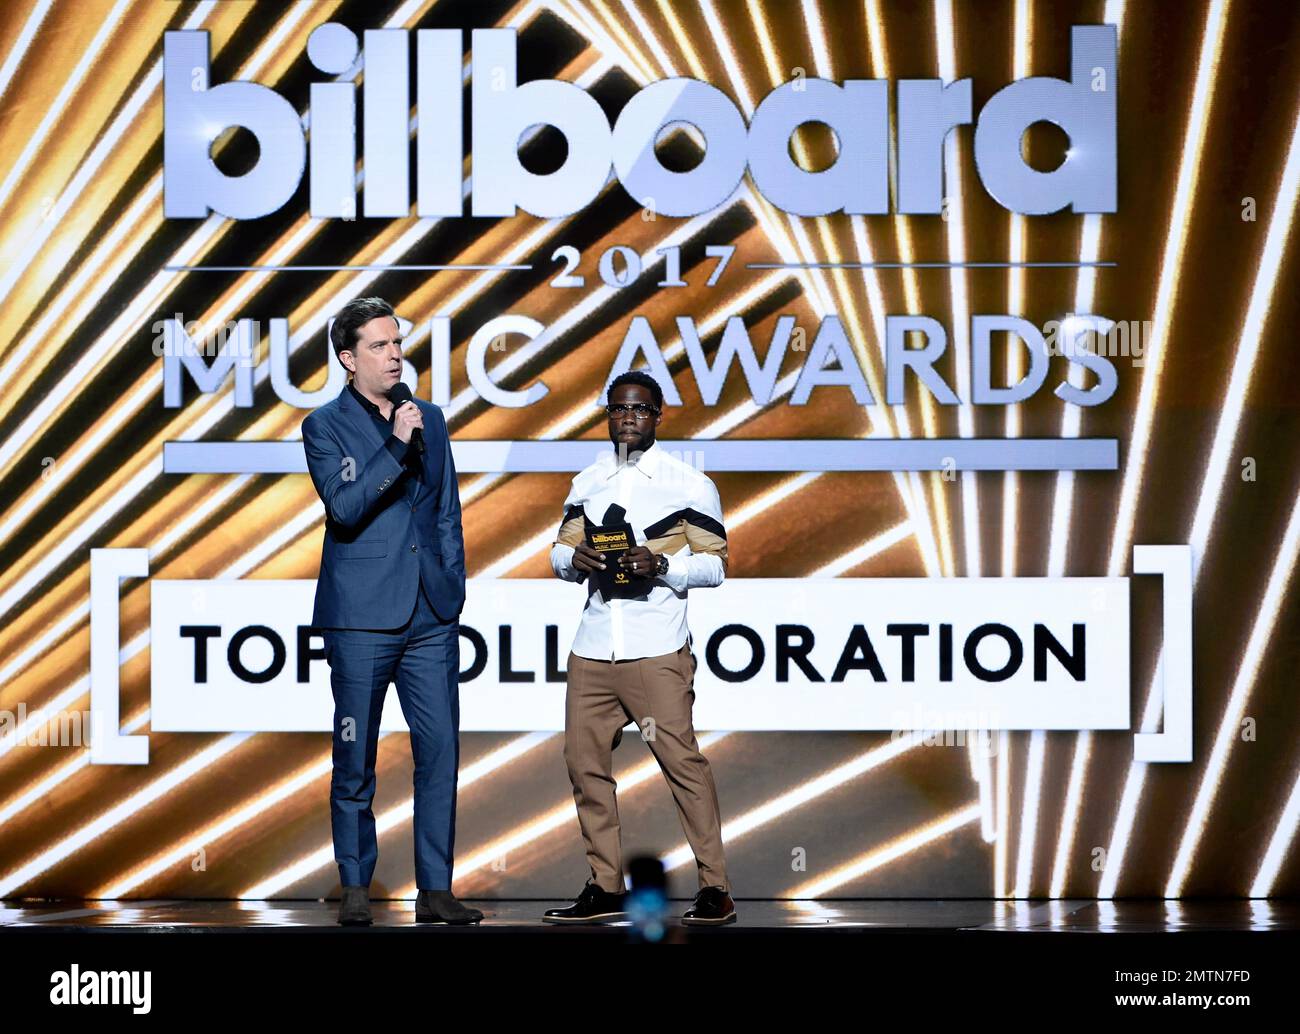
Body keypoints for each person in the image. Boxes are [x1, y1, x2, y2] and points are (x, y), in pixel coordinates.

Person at [301, 296, 481, 926]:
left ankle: (435, 889)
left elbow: (446, 512)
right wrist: (397, 445)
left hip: (431, 615)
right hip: (361, 618)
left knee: (440, 751)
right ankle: (356, 886)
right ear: (348, 358)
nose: (395, 354)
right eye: (379, 345)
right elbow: (345, 508)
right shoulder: (324, 426)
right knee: (356, 755)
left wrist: (452, 588)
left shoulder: (430, 415)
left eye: (397, 342)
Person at [543, 371, 736, 926]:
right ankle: (606, 885)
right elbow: (560, 550)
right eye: (619, 410)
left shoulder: (688, 485)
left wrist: (665, 564)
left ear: (658, 416)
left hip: (656, 647)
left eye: (641, 410)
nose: (628, 418)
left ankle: (715, 887)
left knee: (682, 765)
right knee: (585, 766)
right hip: (594, 645)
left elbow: (717, 566)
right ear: (608, 415)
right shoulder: (588, 481)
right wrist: (571, 561)